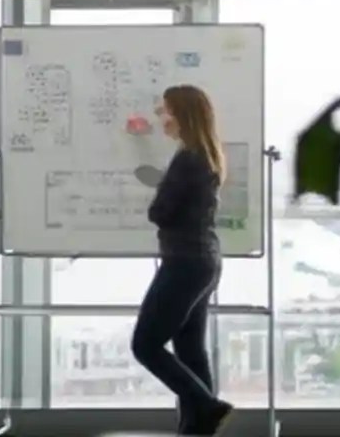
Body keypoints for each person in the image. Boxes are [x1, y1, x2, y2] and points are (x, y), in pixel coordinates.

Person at [131, 84, 235, 436]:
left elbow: (160, 213)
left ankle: (205, 407)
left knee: (145, 344)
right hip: (204, 260)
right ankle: (197, 430)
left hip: (185, 262)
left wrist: (160, 196)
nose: (162, 118)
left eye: (167, 111)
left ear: (184, 115)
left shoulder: (188, 157)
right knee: (190, 351)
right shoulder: (207, 155)